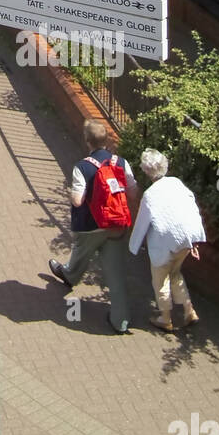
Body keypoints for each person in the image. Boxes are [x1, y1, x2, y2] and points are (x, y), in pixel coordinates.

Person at [48, 119, 139, 334]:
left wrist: (73, 191)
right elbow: (133, 192)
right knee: (115, 275)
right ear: (106, 139)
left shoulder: (82, 167)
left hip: (90, 226)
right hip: (116, 225)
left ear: (87, 141)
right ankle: (121, 322)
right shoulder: (121, 162)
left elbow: (78, 201)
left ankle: (69, 275)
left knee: (81, 254)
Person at [128, 150, 205, 331]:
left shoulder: (149, 195)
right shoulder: (177, 183)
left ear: (147, 171)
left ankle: (166, 319)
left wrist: (133, 245)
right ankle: (189, 311)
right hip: (185, 241)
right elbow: (191, 208)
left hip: (164, 245)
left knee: (160, 280)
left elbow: (141, 223)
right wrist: (194, 240)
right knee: (175, 274)